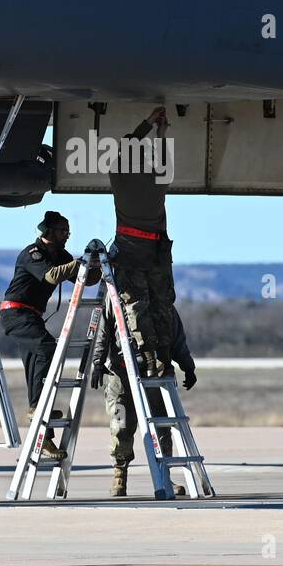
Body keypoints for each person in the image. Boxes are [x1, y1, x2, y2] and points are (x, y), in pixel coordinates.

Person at [0, 211, 100, 459]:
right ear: (49, 232)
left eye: (68, 232)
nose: (66, 236)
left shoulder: (61, 255)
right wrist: (79, 262)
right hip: (15, 313)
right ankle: (37, 408)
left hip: (31, 316)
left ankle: (41, 428)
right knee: (47, 349)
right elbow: (53, 275)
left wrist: (96, 266)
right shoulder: (33, 253)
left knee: (36, 366)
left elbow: (85, 280)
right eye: (63, 231)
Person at [93, 288, 197, 497]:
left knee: (161, 426)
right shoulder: (115, 301)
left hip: (155, 373)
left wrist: (187, 366)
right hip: (121, 374)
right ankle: (119, 475)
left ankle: (164, 475)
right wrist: (97, 361)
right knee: (120, 423)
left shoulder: (162, 304)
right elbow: (103, 331)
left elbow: (176, 336)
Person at [108, 107, 176, 377]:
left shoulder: (119, 177)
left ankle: (149, 359)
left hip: (130, 250)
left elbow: (127, 145)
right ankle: (165, 360)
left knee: (137, 306)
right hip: (158, 252)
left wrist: (146, 123)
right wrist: (161, 133)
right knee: (162, 305)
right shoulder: (158, 179)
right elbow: (162, 161)